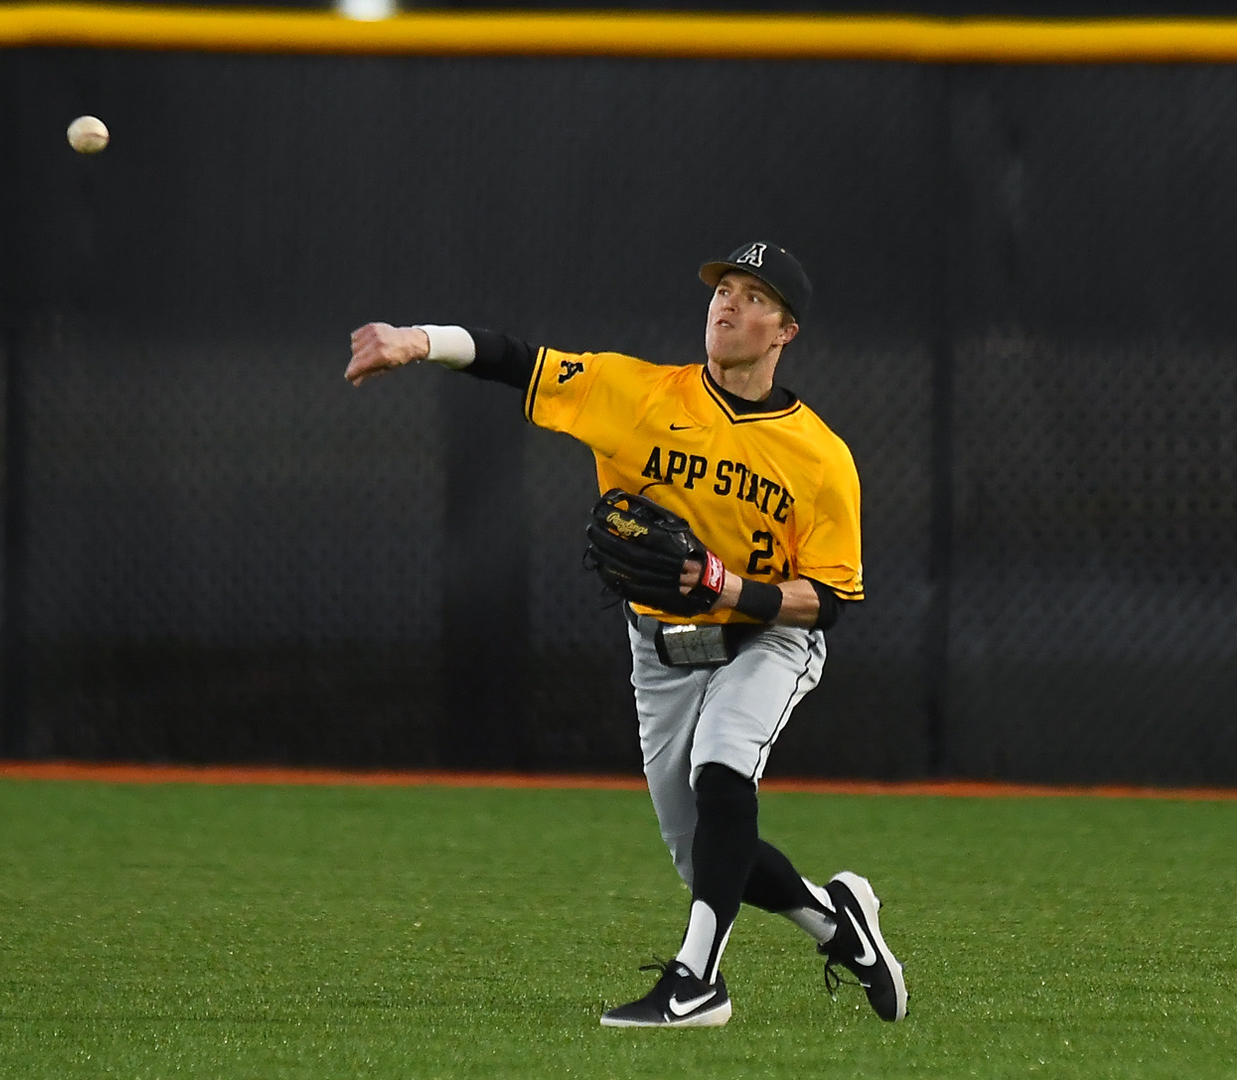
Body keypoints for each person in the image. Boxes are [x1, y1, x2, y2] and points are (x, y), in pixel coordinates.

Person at [343, 242, 905, 1028]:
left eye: (753, 296)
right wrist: (417, 342)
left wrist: (728, 588)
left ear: (787, 331)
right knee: (703, 854)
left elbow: (831, 601)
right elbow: (517, 361)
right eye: (724, 289)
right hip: (662, 651)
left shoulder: (820, 457)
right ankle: (838, 922)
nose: (728, 305)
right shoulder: (636, 393)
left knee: (722, 771)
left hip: (765, 641)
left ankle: (697, 982)